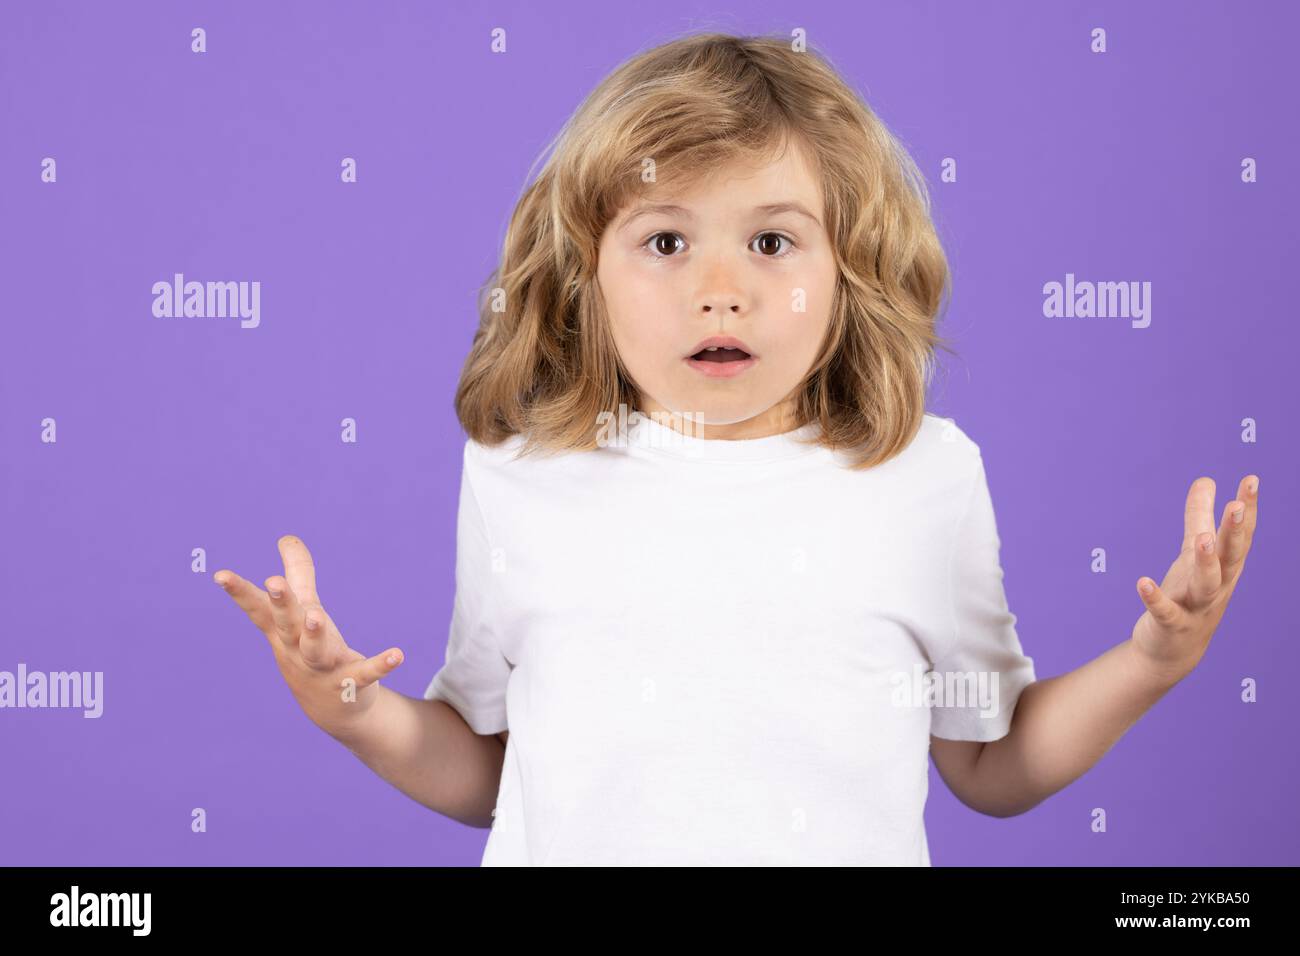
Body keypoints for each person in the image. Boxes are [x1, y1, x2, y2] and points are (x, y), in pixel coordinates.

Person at [214, 32, 1260, 866]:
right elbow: (493, 767)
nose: (721, 287)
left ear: (847, 269)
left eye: (771, 241)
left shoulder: (924, 477)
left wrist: (1149, 662)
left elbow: (987, 760)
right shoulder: (521, 475)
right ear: (588, 274)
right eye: (666, 241)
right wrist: (353, 713)